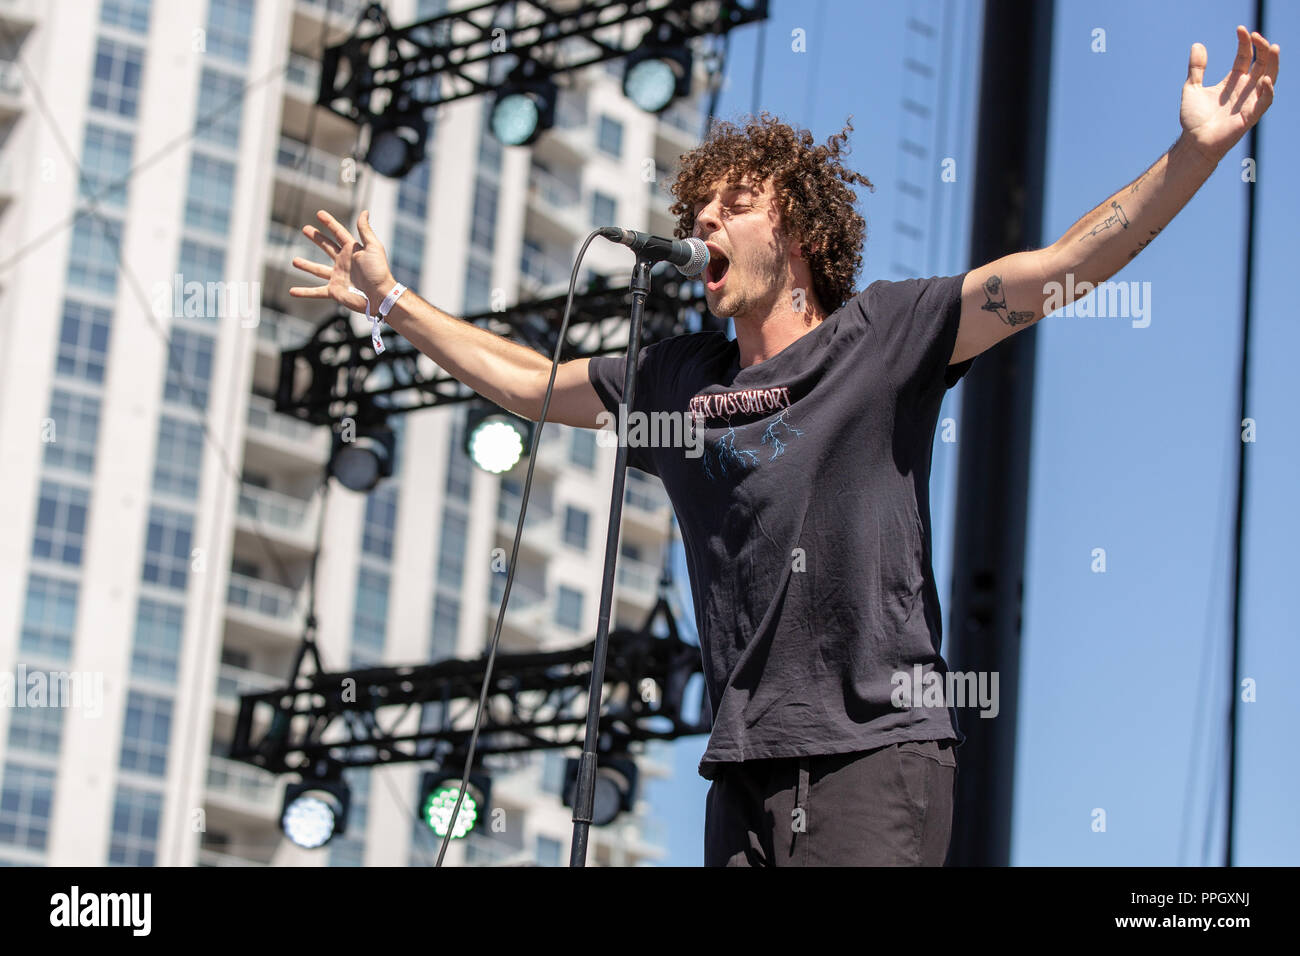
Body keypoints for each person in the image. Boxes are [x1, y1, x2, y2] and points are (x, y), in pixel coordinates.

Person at [290, 27, 1278, 866]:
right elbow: (525, 383)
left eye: (731, 203)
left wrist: (1189, 156)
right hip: (741, 764)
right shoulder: (678, 378)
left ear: (797, 225)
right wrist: (391, 301)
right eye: (695, 211)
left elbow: (1059, 269)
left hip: (871, 752)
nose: (703, 220)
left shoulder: (884, 336)